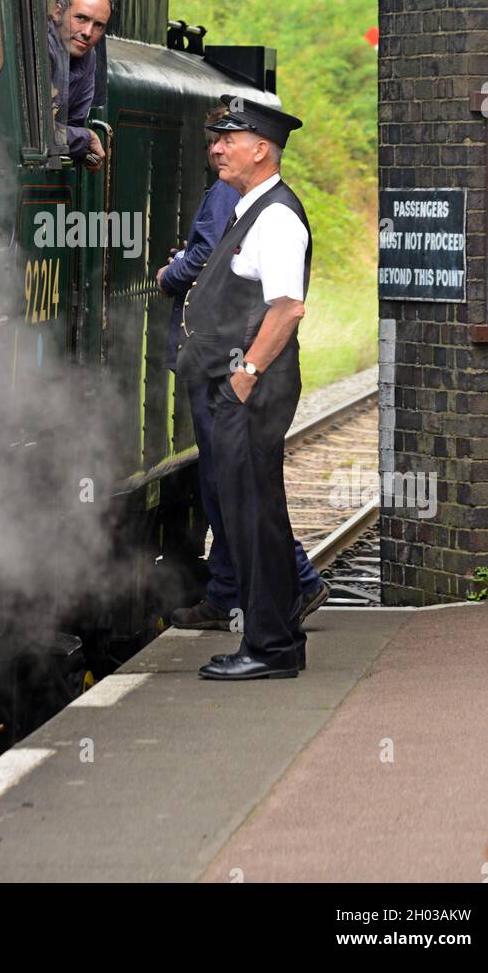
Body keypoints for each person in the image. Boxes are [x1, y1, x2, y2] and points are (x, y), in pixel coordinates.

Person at [158, 108, 327, 632]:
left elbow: (287, 308)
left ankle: (273, 625)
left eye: (230, 139)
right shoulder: (248, 208)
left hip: (247, 383)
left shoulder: (274, 215)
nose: (217, 147)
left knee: (251, 502)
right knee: (236, 496)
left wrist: (245, 374)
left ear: (261, 149)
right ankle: (254, 620)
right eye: (217, 139)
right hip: (227, 377)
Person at [47, 0, 114, 170]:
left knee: (61, 202)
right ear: (58, 12)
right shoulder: (40, 46)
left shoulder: (88, 56)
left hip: (53, 184)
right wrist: (87, 138)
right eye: (81, 18)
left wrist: (79, 142)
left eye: (99, 25)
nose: (87, 32)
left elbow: (73, 125)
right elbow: (36, 132)